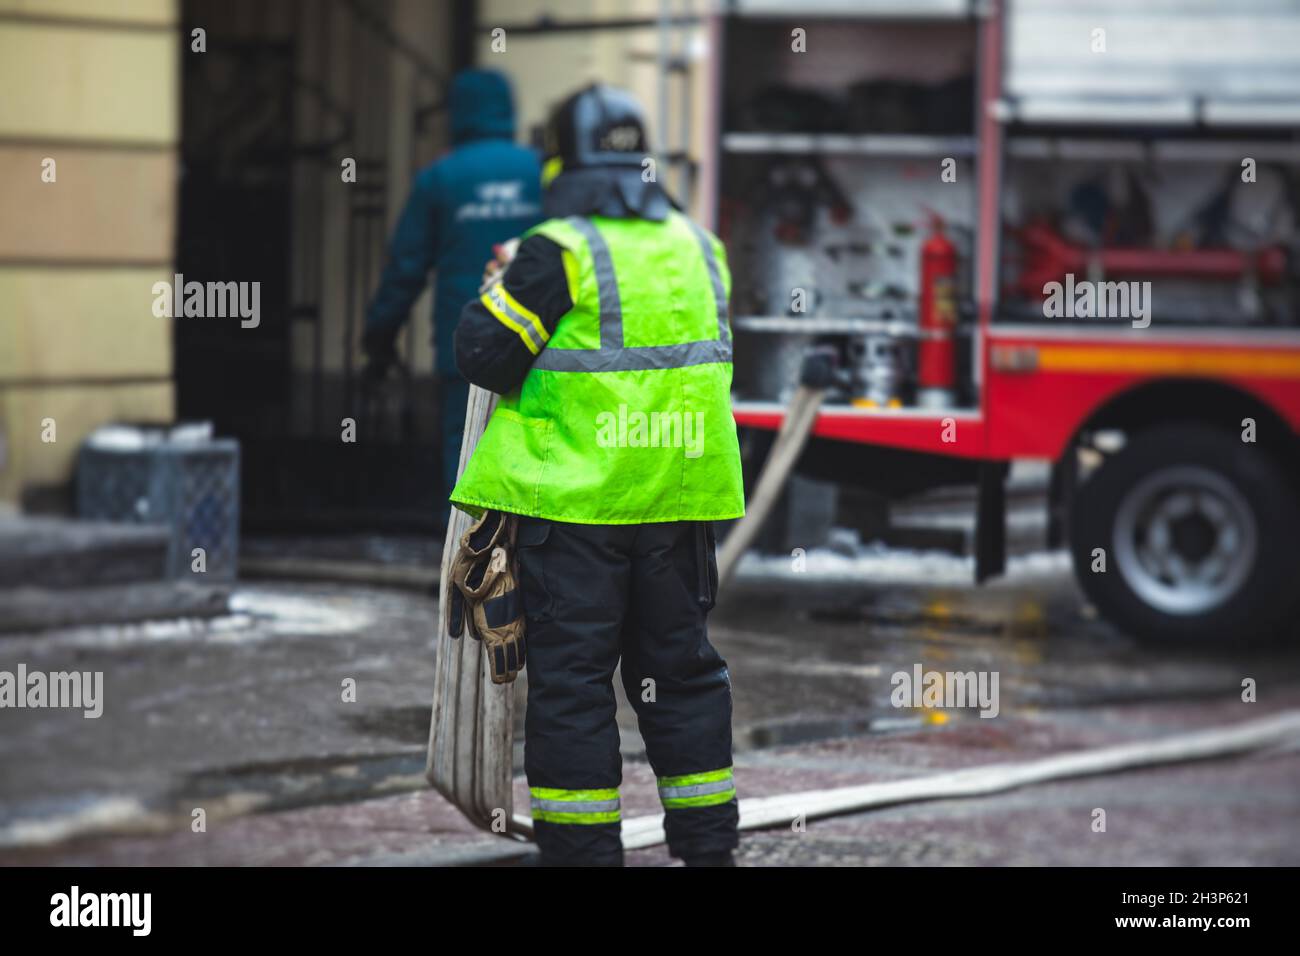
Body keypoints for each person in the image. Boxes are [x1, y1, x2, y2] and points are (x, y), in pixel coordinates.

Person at [450, 85, 746, 867]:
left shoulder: (556, 250)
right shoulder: (699, 245)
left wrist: (498, 283)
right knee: (683, 679)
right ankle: (709, 851)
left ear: (562, 161)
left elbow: (483, 356)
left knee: (574, 690)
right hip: (680, 511)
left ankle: (583, 858)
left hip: (576, 512)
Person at [363, 68, 541, 515]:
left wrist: (378, 338)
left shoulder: (439, 179)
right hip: (541, 342)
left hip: (466, 348)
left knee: (466, 459)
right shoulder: (538, 170)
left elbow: (405, 267)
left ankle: (465, 572)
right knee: (535, 453)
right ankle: (524, 572)